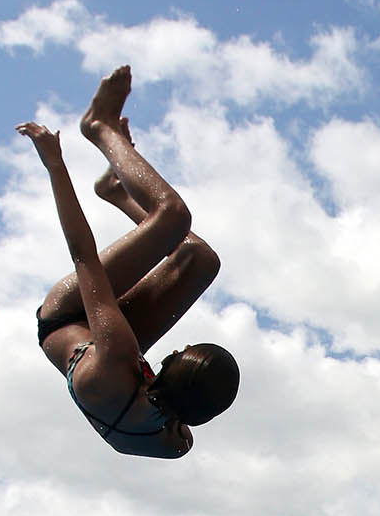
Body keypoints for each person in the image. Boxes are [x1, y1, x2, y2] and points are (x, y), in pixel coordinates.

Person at [20, 66, 238, 461]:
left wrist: (56, 166)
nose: (174, 350)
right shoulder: (175, 444)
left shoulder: (117, 357)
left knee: (173, 217)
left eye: (176, 356)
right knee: (201, 260)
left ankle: (99, 127)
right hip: (111, 356)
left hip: (67, 317)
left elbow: (83, 254)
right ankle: (115, 192)